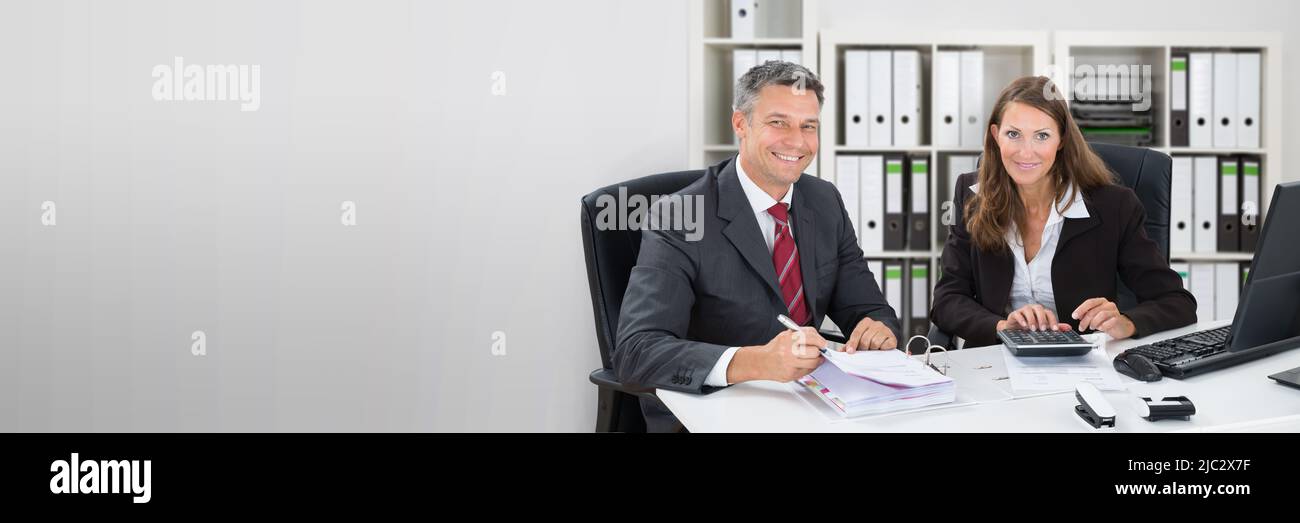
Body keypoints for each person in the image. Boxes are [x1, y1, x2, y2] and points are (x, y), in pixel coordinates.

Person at [614, 61, 900, 432]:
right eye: (778, 122)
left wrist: (877, 329)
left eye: (808, 126)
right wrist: (757, 362)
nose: (796, 141)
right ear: (740, 124)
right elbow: (637, 352)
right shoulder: (681, 217)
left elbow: (869, 308)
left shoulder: (824, 200)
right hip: (714, 412)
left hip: (812, 405)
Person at [931, 76, 1196, 349]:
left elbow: (1177, 302)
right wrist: (1002, 327)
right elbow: (947, 299)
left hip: (1083, 365)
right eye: (1014, 134)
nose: (1026, 152)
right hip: (995, 363)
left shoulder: (1114, 206)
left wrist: (1126, 322)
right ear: (996, 135)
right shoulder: (972, 194)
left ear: (1061, 140)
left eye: (1042, 136)